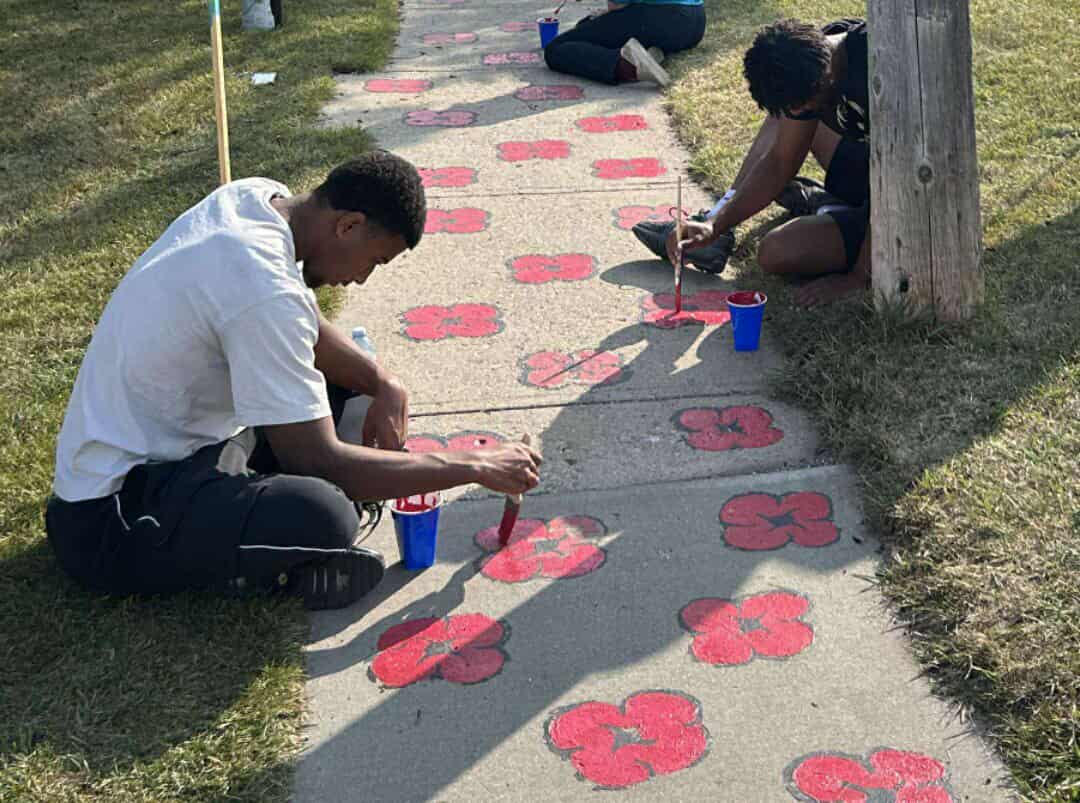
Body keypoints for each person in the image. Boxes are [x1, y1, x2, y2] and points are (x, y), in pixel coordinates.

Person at [46, 151, 542, 610]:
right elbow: (320, 460)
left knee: (349, 396)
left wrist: (385, 383)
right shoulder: (262, 289)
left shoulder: (256, 200)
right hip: (110, 514)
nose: (364, 279)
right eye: (375, 260)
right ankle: (266, 572)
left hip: (194, 443)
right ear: (348, 225)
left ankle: (248, 524)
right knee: (326, 513)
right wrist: (473, 465)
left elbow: (306, 328)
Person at [634, 18, 872, 307]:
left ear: (827, 78)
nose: (803, 113)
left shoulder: (880, 65)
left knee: (781, 250)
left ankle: (831, 207)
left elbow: (911, 183)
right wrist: (716, 223)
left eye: (810, 107)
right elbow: (780, 160)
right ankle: (828, 205)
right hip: (870, 179)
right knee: (774, 252)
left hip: (914, 199)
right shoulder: (814, 61)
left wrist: (860, 277)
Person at [542, 0, 706, 87]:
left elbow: (616, 5)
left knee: (555, 49)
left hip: (663, 18)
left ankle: (628, 66)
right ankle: (651, 52)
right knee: (586, 25)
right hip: (695, 24)